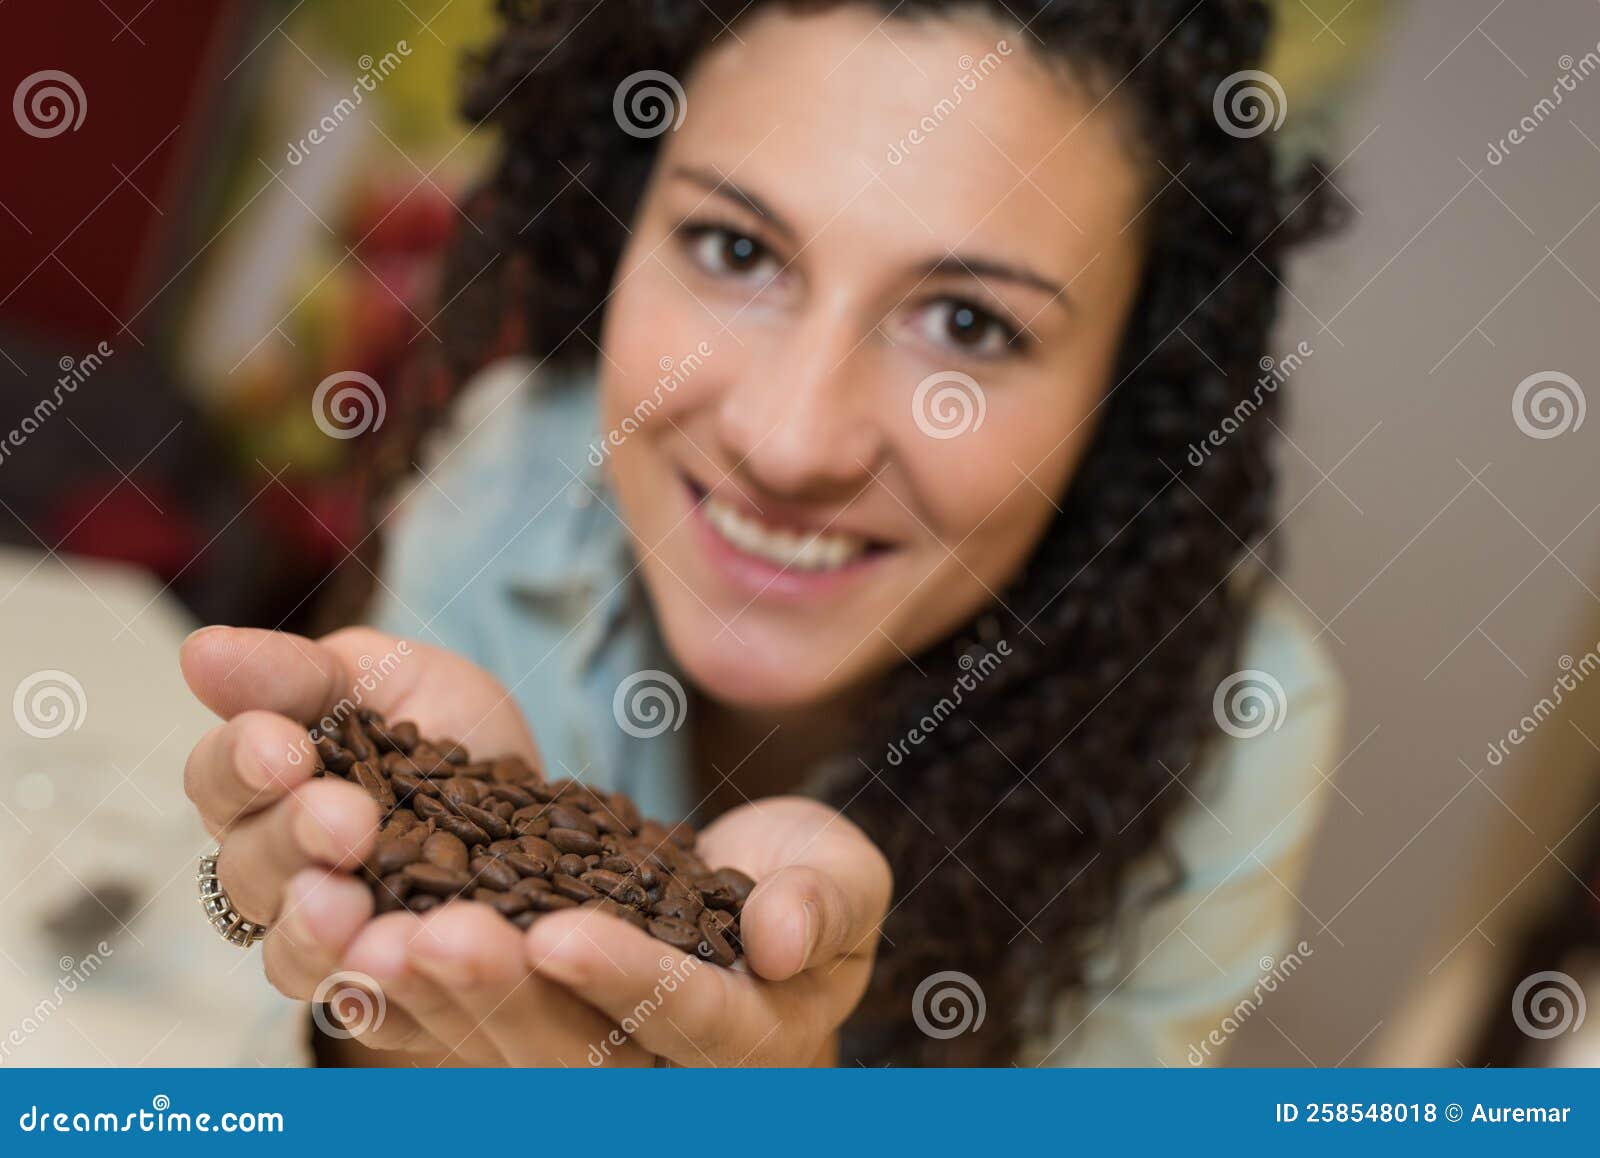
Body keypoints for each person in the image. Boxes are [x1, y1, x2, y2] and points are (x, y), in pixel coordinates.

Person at [179, 0, 1344, 1066]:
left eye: (967, 322)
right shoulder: (515, 474)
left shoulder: (1226, 722)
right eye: (735, 250)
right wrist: (388, 1030)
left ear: (1123, 394)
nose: (790, 443)